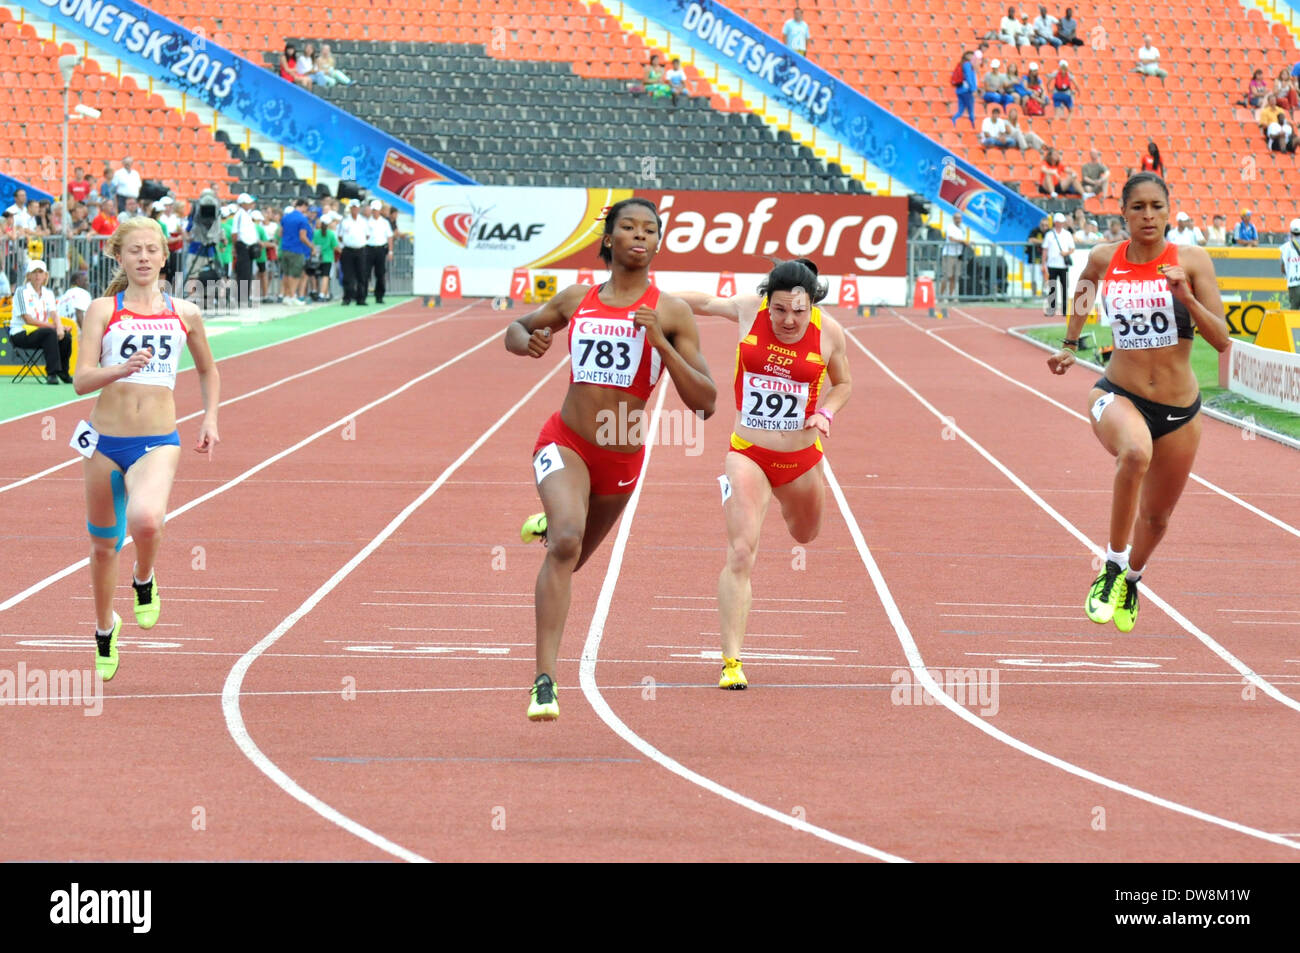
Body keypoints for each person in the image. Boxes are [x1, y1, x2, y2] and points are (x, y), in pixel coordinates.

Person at [509, 199, 716, 719]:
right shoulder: (576, 298)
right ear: (609, 238)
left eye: (651, 229)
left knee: (572, 557)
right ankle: (544, 681)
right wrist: (526, 341)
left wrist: (662, 346)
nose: (640, 236)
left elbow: (707, 403)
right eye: (628, 227)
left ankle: (555, 520)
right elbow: (516, 328)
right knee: (566, 544)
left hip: (620, 460)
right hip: (567, 442)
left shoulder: (671, 313)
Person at [1047, 172, 1229, 633]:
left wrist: (1184, 294)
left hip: (1180, 411)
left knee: (1158, 517)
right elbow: (1085, 285)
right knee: (1134, 453)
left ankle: (1132, 578)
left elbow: (1222, 341)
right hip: (1118, 394)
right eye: (1138, 207)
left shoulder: (1192, 260)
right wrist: (1070, 343)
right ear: (1123, 213)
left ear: (1169, 212)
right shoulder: (1105, 256)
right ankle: (1110, 567)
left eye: (1156, 207)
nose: (1148, 216)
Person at [676, 260, 851, 690]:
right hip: (747, 453)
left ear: (812, 304)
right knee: (740, 552)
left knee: (805, 535)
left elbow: (843, 383)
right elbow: (699, 302)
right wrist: (646, 300)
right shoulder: (746, 310)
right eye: (779, 310)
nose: (788, 320)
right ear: (766, 302)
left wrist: (826, 412)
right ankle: (731, 661)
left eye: (798, 310)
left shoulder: (830, 332)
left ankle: (793, 509)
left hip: (801, 459)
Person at [72, 217, 220, 680]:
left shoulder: (185, 312)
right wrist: (119, 369)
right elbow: (80, 380)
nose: (142, 257)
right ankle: (104, 628)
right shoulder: (102, 309)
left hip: (157, 440)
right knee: (101, 548)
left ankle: (144, 578)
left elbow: (207, 371)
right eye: (133, 250)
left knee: (145, 519)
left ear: (163, 256)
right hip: (103, 441)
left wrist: (210, 417)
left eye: (150, 250)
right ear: (120, 257)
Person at [8, 260, 68, 384]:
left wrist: (60, 326)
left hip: (41, 333)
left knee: (66, 336)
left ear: (46, 275)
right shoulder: (21, 292)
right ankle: (52, 373)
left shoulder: (48, 293)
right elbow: (28, 320)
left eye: (40, 272)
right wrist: (54, 327)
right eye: (34, 272)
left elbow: (54, 313)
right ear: (28, 275)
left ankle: (63, 371)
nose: (37, 275)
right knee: (50, 333)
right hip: (21, 333)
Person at [279, 198, 314, 304]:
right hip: (297, 249)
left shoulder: (285, 217)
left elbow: (280, 233)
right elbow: (302, 236)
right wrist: (311, 246)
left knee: (286, 273)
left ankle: (286, 295)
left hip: (285, 248)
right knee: (295, 274)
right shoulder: (302, 219)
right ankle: (292, 296)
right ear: (303, 205)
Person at [1042, 212, 1075, 317]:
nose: (1060, 224)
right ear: (1055, 223)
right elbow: (1045, 250)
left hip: (1063, 265)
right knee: (1052, 287)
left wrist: (1066, 253)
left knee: (1064, 287)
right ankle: (1051, 309)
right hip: (1052, 265)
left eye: (1061, 222)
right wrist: (1043, 263)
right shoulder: (1049, 234)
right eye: (1058, 222)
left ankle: (1065, 310)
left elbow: (1072, 248)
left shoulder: (1067, 234)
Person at [338, 201, 369, 304]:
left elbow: (367, 235)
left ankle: (361, 298)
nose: (355, 210)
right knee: (347, 275)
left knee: (361, 275)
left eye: (356, 208)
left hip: (360, 249)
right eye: (353, 208)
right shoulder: (345, 221)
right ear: (350, 209)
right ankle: (347, 297)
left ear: (359, 209)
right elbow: (340, 236)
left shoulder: (364, 221)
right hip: (348, 250)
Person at [364, 199, 393, 304]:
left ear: (380, 210)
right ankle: (363, 296)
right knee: (366, 273)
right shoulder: (367, 222)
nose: (375, 212)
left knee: (380, 273)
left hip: (380, 249)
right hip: (369, 248)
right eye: (373, 210)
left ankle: (379, 296)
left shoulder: (385, 222)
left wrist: (390, 251)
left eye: (377, 210)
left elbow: (389, 237)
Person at [940, 211, 968, 300]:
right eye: (956, 218)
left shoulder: (962, 228)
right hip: (949, 254)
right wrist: (962, 241)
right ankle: (940, 295)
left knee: (955, 276)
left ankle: (951, 295)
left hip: (958, 254)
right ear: (953, 219)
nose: (958, 220)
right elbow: (951, 238)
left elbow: (963, 240)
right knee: (947, 275)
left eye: (959, 218)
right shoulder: (950, 227)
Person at [314, 211, 339, 300]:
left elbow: (314, 244)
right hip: (328, 257)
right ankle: (322, 294)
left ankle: (325, 293)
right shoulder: (331, 233)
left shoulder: (316, 233)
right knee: (325, 276)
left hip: (318, 257)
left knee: (319, 276)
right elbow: (335, 246)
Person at [951, 51, 978, 127]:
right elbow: (969, 78)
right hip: (967, 91)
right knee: (971, 111)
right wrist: (973, 90)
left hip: (960, 90)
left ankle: (953, 122)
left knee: (961, 110)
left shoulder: (963, 64)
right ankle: (973, 126)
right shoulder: (967, 64)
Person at [1280, 219, 1300, 308]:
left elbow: (1283, 269)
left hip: (1293, 284)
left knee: (1294, 313)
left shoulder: (1284, 248)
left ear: (1291, 231)